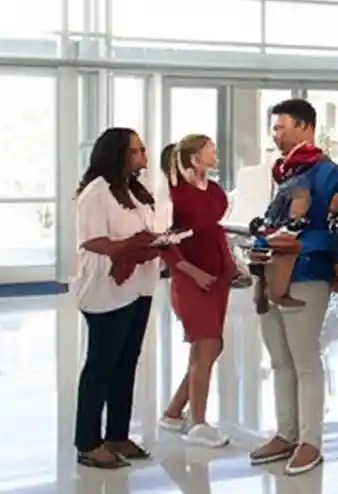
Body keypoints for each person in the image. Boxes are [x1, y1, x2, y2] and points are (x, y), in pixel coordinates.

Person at [248, 99, 338, 476]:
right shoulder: (281, 172)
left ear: (306, 127)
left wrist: (308, 249)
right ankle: (286, 432)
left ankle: (310, 441)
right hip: (268, 271)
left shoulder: (330, 175)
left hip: (306, 274)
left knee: (305, 359)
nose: (276, 134)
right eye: (274, 129)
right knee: (279, 359)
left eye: (282, 127)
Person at [72, 127, 161, 469]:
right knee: (101, 367)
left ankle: (118, 435)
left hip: (138, 288)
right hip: (106, 291)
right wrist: (134, 247)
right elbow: (94, 240)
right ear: (118, 154)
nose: (144, 156)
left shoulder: (133, 189)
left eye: (143, 149)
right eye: (137, 151)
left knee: (126, 364)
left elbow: (141, 229)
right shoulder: (96, 192)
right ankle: (88, 442)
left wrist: (154, 242)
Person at [156, 135, 237, 448]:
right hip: (190, 279)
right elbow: (165, 242)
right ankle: (199, 422)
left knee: (211, 348)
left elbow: (214, 232)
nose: (215, 154)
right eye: (210, 150)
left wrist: (230, 265)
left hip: (218, 278)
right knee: (206, 344)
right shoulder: (175, 196)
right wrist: (191, 272)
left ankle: (174, 412)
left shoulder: (215, 193)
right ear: (193, 158)